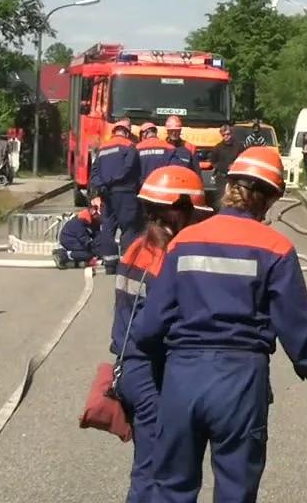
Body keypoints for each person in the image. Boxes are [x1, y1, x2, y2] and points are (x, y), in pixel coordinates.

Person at [132, 146, 307, 503]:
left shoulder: (184, 242)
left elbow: (150, 326)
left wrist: (154, 375)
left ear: (228, 188)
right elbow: (294, 330)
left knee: (170, 489)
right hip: (241, 380)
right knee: (235, 490)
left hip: (183, 376)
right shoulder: (276, 247)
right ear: (268, 198)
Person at [114, 165, 212, 503]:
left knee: (147, 467)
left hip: (129, 365)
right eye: (192, 213)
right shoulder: (166, 257)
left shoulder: (136, 247)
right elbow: (158, 326)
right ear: (177, 209)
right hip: (149, 370)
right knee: (157, 469)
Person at [90, 119, 141, 273]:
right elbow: (129, 168)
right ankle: (127, 263)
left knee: (108, 227)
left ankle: (110, 263)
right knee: (129, 228)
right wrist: (113, 181)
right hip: (125, 192)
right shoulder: (129, 146)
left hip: (106, 194)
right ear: (126, 132)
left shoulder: (102, 149)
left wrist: (103, 185)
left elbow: (94, 173)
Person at [54, 201, 103, 269]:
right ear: (93, 212)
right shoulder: (80, 221)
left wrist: (102, 248)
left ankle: (77, 261)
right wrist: (96, 251)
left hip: (78, 239)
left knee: (93, 252)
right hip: (68, 239)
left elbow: (98, 236)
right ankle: (63, 255)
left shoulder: (94, 221)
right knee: (87, 254)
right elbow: (85, 240)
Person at [208, 123, 243, 195]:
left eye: (228, 134)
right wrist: (225, 166)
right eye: (223, 135)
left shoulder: (239, 146)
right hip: (222, 178)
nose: (226, 137)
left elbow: (243, 160)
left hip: (235, 178)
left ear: (232, 133)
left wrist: (235, 166)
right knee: (222, 199)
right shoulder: (218, 147)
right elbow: (213, 162)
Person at [137, 121, 176, 186]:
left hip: (143, 188)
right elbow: (174, 170)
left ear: (143, 134)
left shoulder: (137, 148)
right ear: (155, 133)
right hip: (162, 186)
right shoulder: (170, 148)